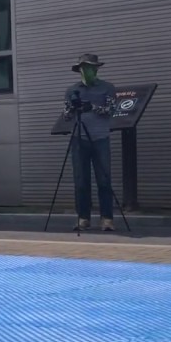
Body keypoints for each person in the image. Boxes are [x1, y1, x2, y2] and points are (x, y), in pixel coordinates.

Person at [63, 53, 117, 231]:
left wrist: (92, 107)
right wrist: (72, 108)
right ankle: (83, 217)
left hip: (100, 138)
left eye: (90, 68)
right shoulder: (72, 90)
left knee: (104, 179)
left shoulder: (107, 88)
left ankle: (107, 218)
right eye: (84, 68)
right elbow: (66, 116)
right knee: (81, 180)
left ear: (96, 69)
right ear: (80, 71)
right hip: (79, 138)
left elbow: (111, 110)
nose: (87, 71)